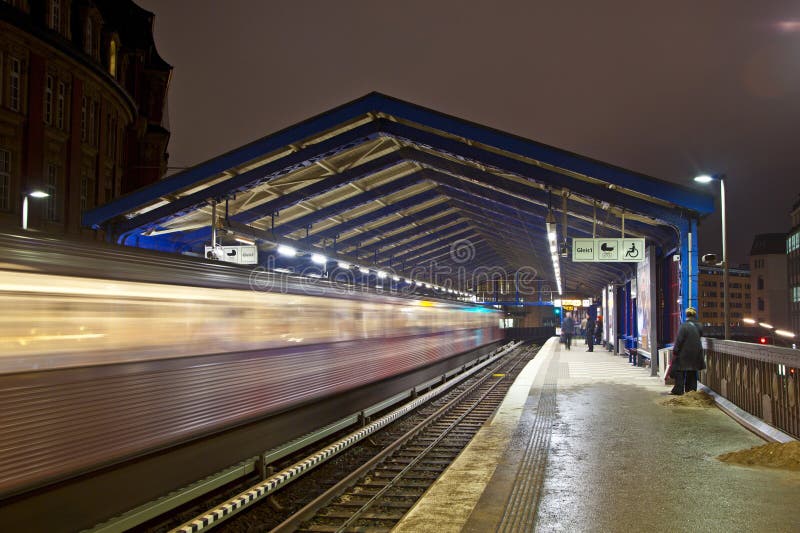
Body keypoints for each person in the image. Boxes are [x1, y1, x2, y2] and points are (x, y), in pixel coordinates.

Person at [670, 307, 705, 395]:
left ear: (686, 316)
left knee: (680, 371)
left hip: (684, 354)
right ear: (695, 315)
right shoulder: (699, 326)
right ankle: (691, 392)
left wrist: (675, 351)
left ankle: (678, 390)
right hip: (696, 354)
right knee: (692, 373)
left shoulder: (684, 326)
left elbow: (679, 340)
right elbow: (700, 336)